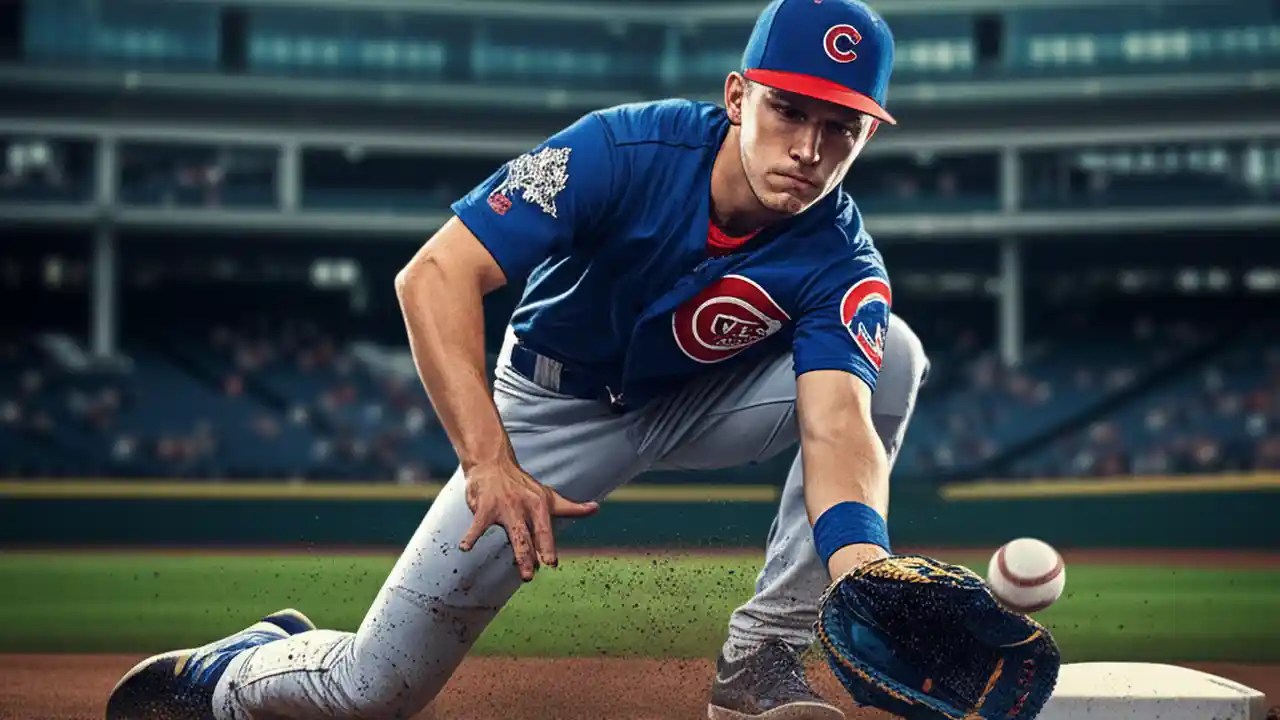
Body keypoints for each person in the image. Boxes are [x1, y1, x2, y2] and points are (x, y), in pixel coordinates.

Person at [105, 1, 930, 718]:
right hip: (552, 409)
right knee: (376, 689)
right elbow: (433, 275)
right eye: (791, 111)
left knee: (890, 352)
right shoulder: (620, 149)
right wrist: (489, 462)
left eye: (842, 129)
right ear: (738, 95)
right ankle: (235, 671)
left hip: (701, 401)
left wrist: (864, 569)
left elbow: (836, 427)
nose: (811, 149)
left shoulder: (842, 255)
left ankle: (762, 655)